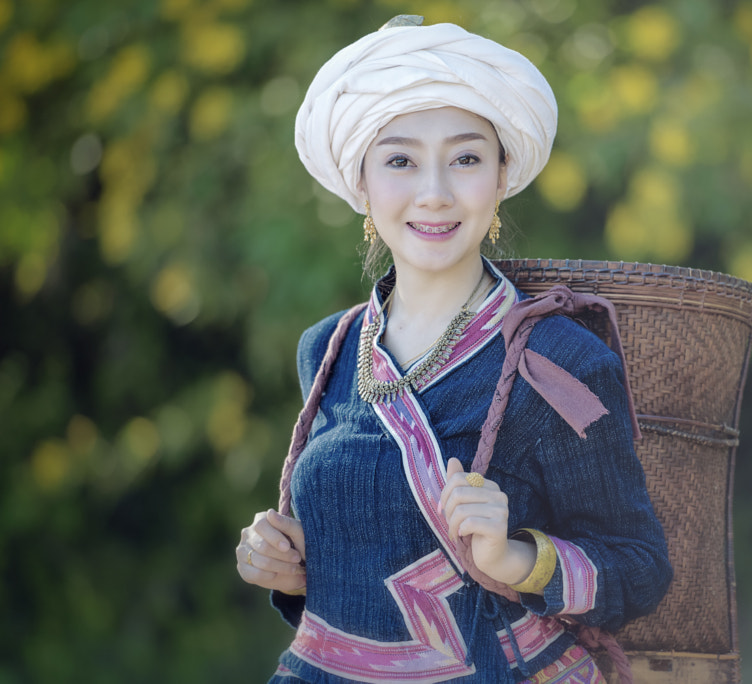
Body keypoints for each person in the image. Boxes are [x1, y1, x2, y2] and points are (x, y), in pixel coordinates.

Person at [236, 16, 672, 684]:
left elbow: (640, 569)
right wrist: (287, 568)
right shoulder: (327, 349)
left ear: (502, 178)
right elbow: (366, 548)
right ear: (362, 184)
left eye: (466, 158)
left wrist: (517, 561)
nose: (434, 192)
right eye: (400, 160)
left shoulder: (560, 361)